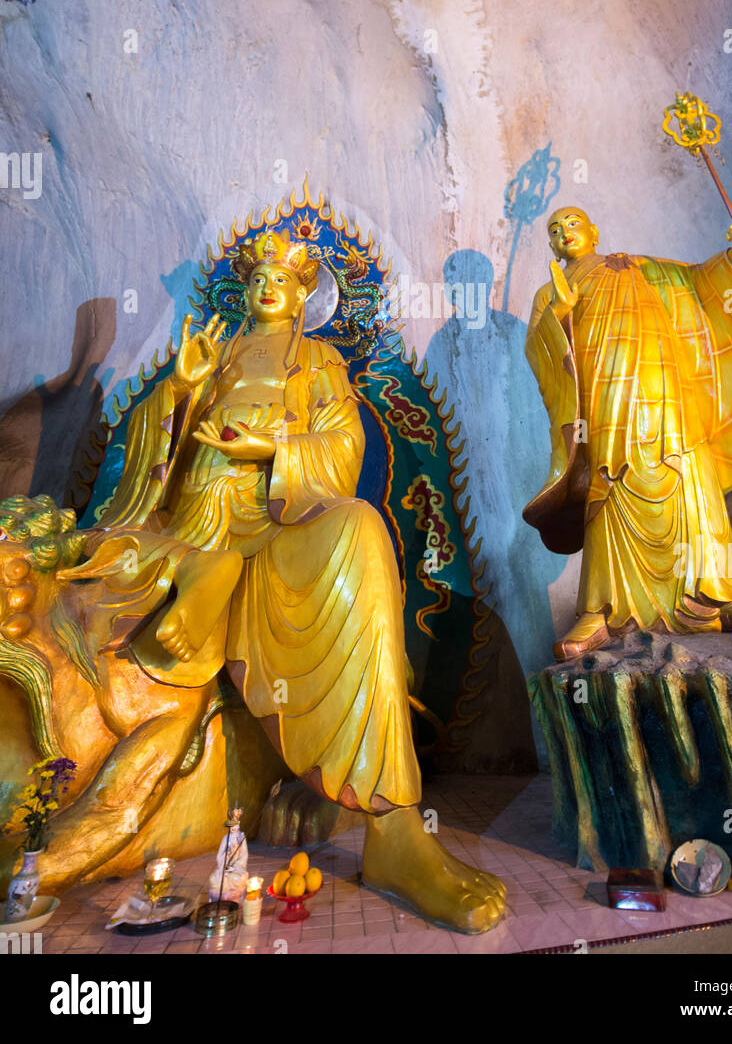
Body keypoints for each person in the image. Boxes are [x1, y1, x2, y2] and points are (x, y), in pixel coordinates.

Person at [99, 229, 505, 932]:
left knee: (358, 530)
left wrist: (272, 448)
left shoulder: (317, 359)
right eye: (257, 278)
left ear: (301, 299)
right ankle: (200, 593)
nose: (267, 288)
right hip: (200, 516)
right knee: (172, 560)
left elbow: (343, 451)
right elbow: (147, 461)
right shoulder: (214, 355)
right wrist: (180, 390)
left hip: (278, 519)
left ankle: (394, 829)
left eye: (283, 282)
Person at [524, 207, 732, 659]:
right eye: (554, 230)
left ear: (594, 231)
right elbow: (539, 351)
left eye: (572, 223)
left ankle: (726, 598)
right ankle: (601, 608)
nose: (563, 233)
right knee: (610, 480)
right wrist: (558, 315)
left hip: (668, 386)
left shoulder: (637, 266)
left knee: (692, 477)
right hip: (606, 401)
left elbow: (695, 282)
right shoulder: (552, 292)